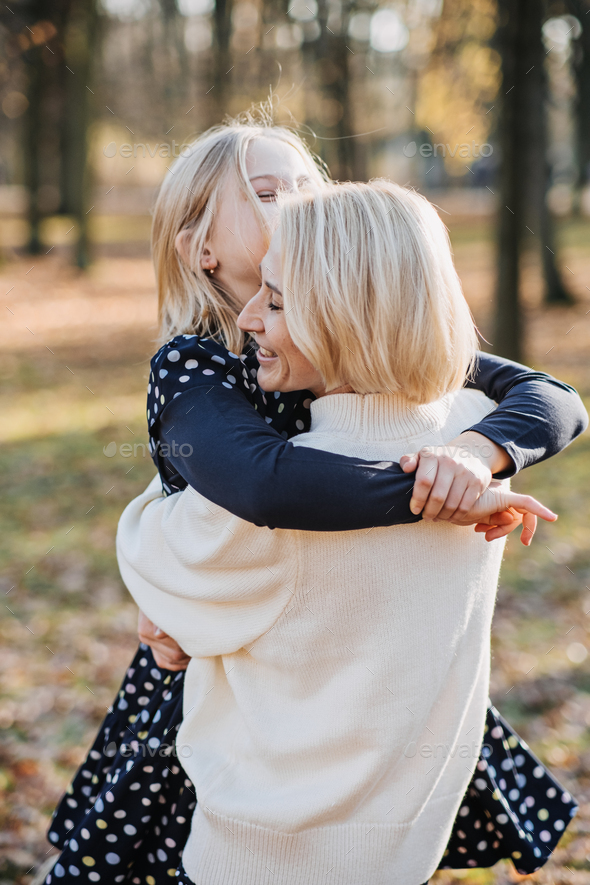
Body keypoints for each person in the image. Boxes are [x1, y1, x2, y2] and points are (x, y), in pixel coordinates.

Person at [43, 105, 586, 885]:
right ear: (201, 246)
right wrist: (435, 490)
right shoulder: (196, 365)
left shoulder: (353, 333)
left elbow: (551, 397)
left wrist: (474, 453)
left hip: (349, 660)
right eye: (268, 193)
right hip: (222, 645)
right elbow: (264, 482)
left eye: (306, 184)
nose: (296, 201)